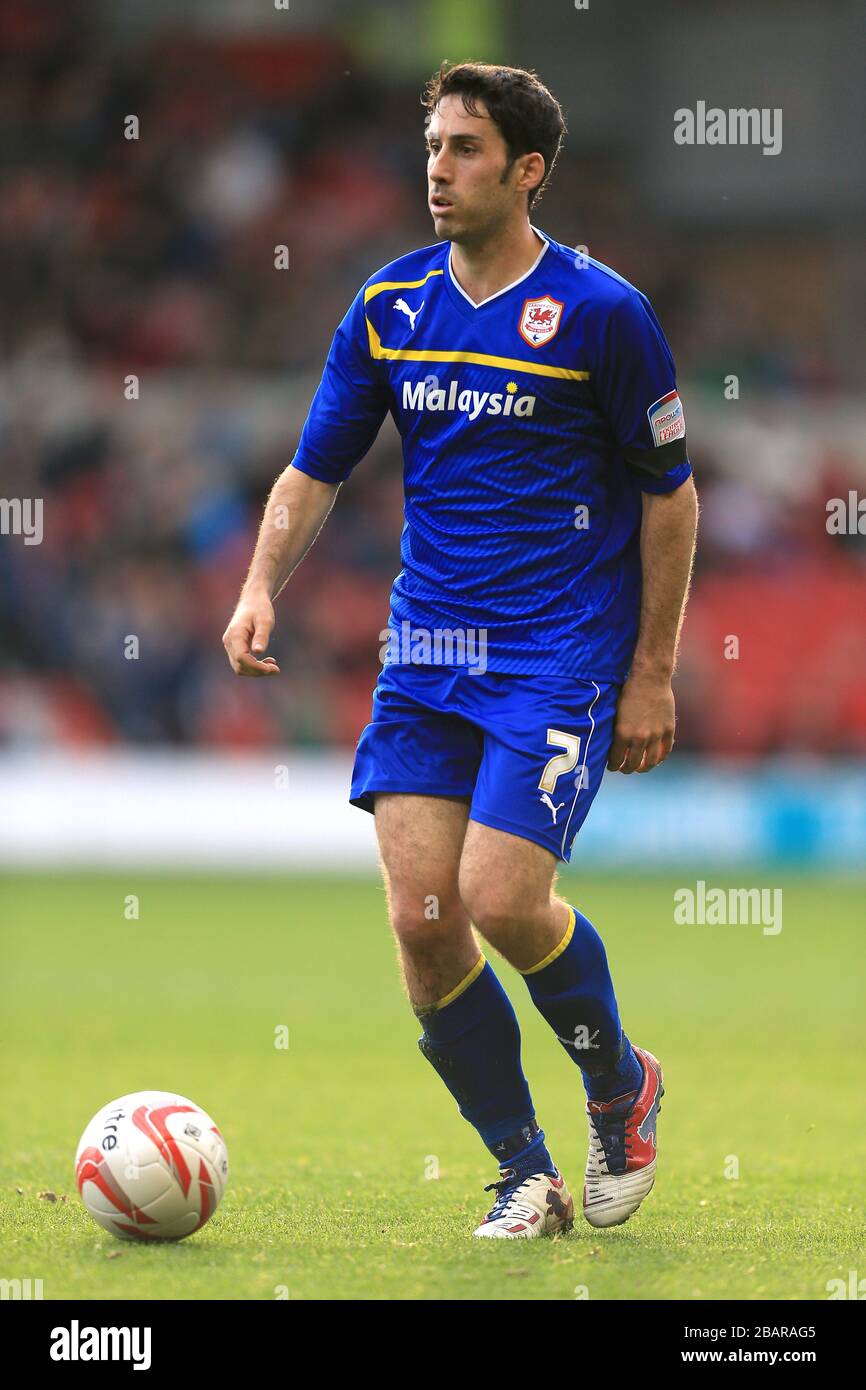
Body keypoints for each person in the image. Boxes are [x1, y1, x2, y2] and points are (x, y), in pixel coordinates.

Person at [223, 61, 698, 1239]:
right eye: (432, 146)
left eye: (466, 150)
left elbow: (670, 497)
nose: (437, 169)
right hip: (423, 651)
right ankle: (524, 1174)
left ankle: (616, 1084)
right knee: (423, 920)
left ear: (526, 171)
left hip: (556, 655)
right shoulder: (389, 306)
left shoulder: (599, 313)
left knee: (498, 896)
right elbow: (314, 470)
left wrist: (649, 672)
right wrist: (256, 585)